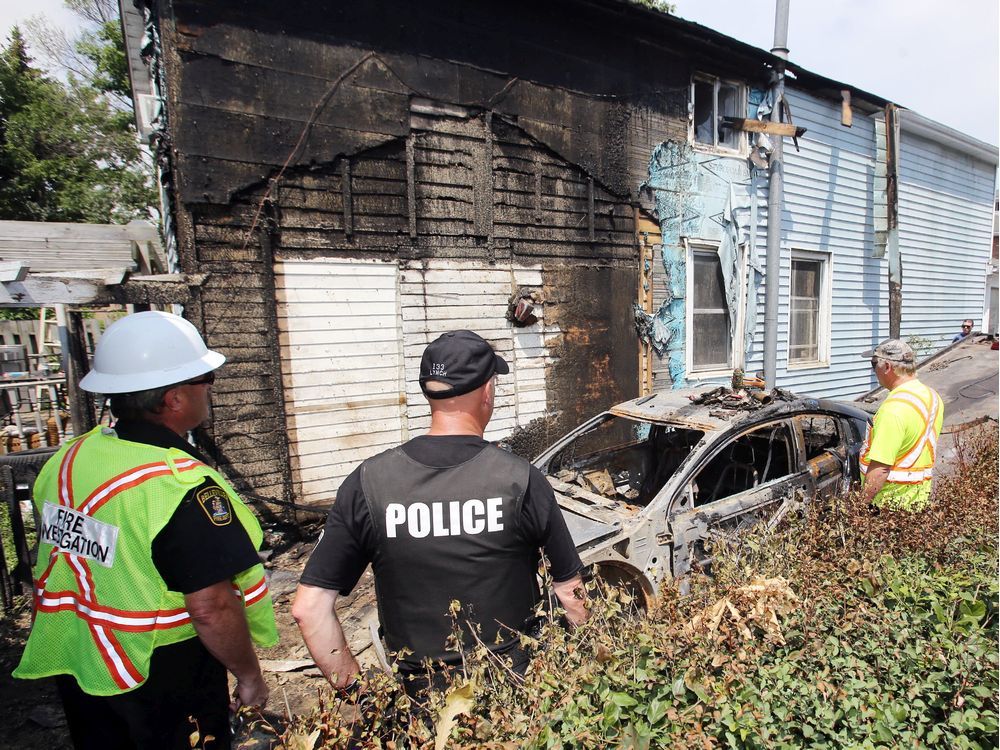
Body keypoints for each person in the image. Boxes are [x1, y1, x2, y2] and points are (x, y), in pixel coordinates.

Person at [14, 311, 278, 750]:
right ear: (175, 399)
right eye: (204, 379)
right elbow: (211, 606)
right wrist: (249, 677)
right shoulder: (178, 485)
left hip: (83, 663)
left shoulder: (69, 459)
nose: (210, 388)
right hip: (163, 677)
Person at [292, 330, 588, 697]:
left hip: (421, 700)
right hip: (515, 696)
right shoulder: (521, 479)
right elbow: (570, 591)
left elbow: (309, 609)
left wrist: (361, 693)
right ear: (488, 391)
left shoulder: (368, 482)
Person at [859, 339, 944, 512]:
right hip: (918, 500)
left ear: (887, 367)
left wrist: (859, 507)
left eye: (874, 363)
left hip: (887, 505)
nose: (874, 369)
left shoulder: (893, 409)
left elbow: (880, 469)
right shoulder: (932, 397)